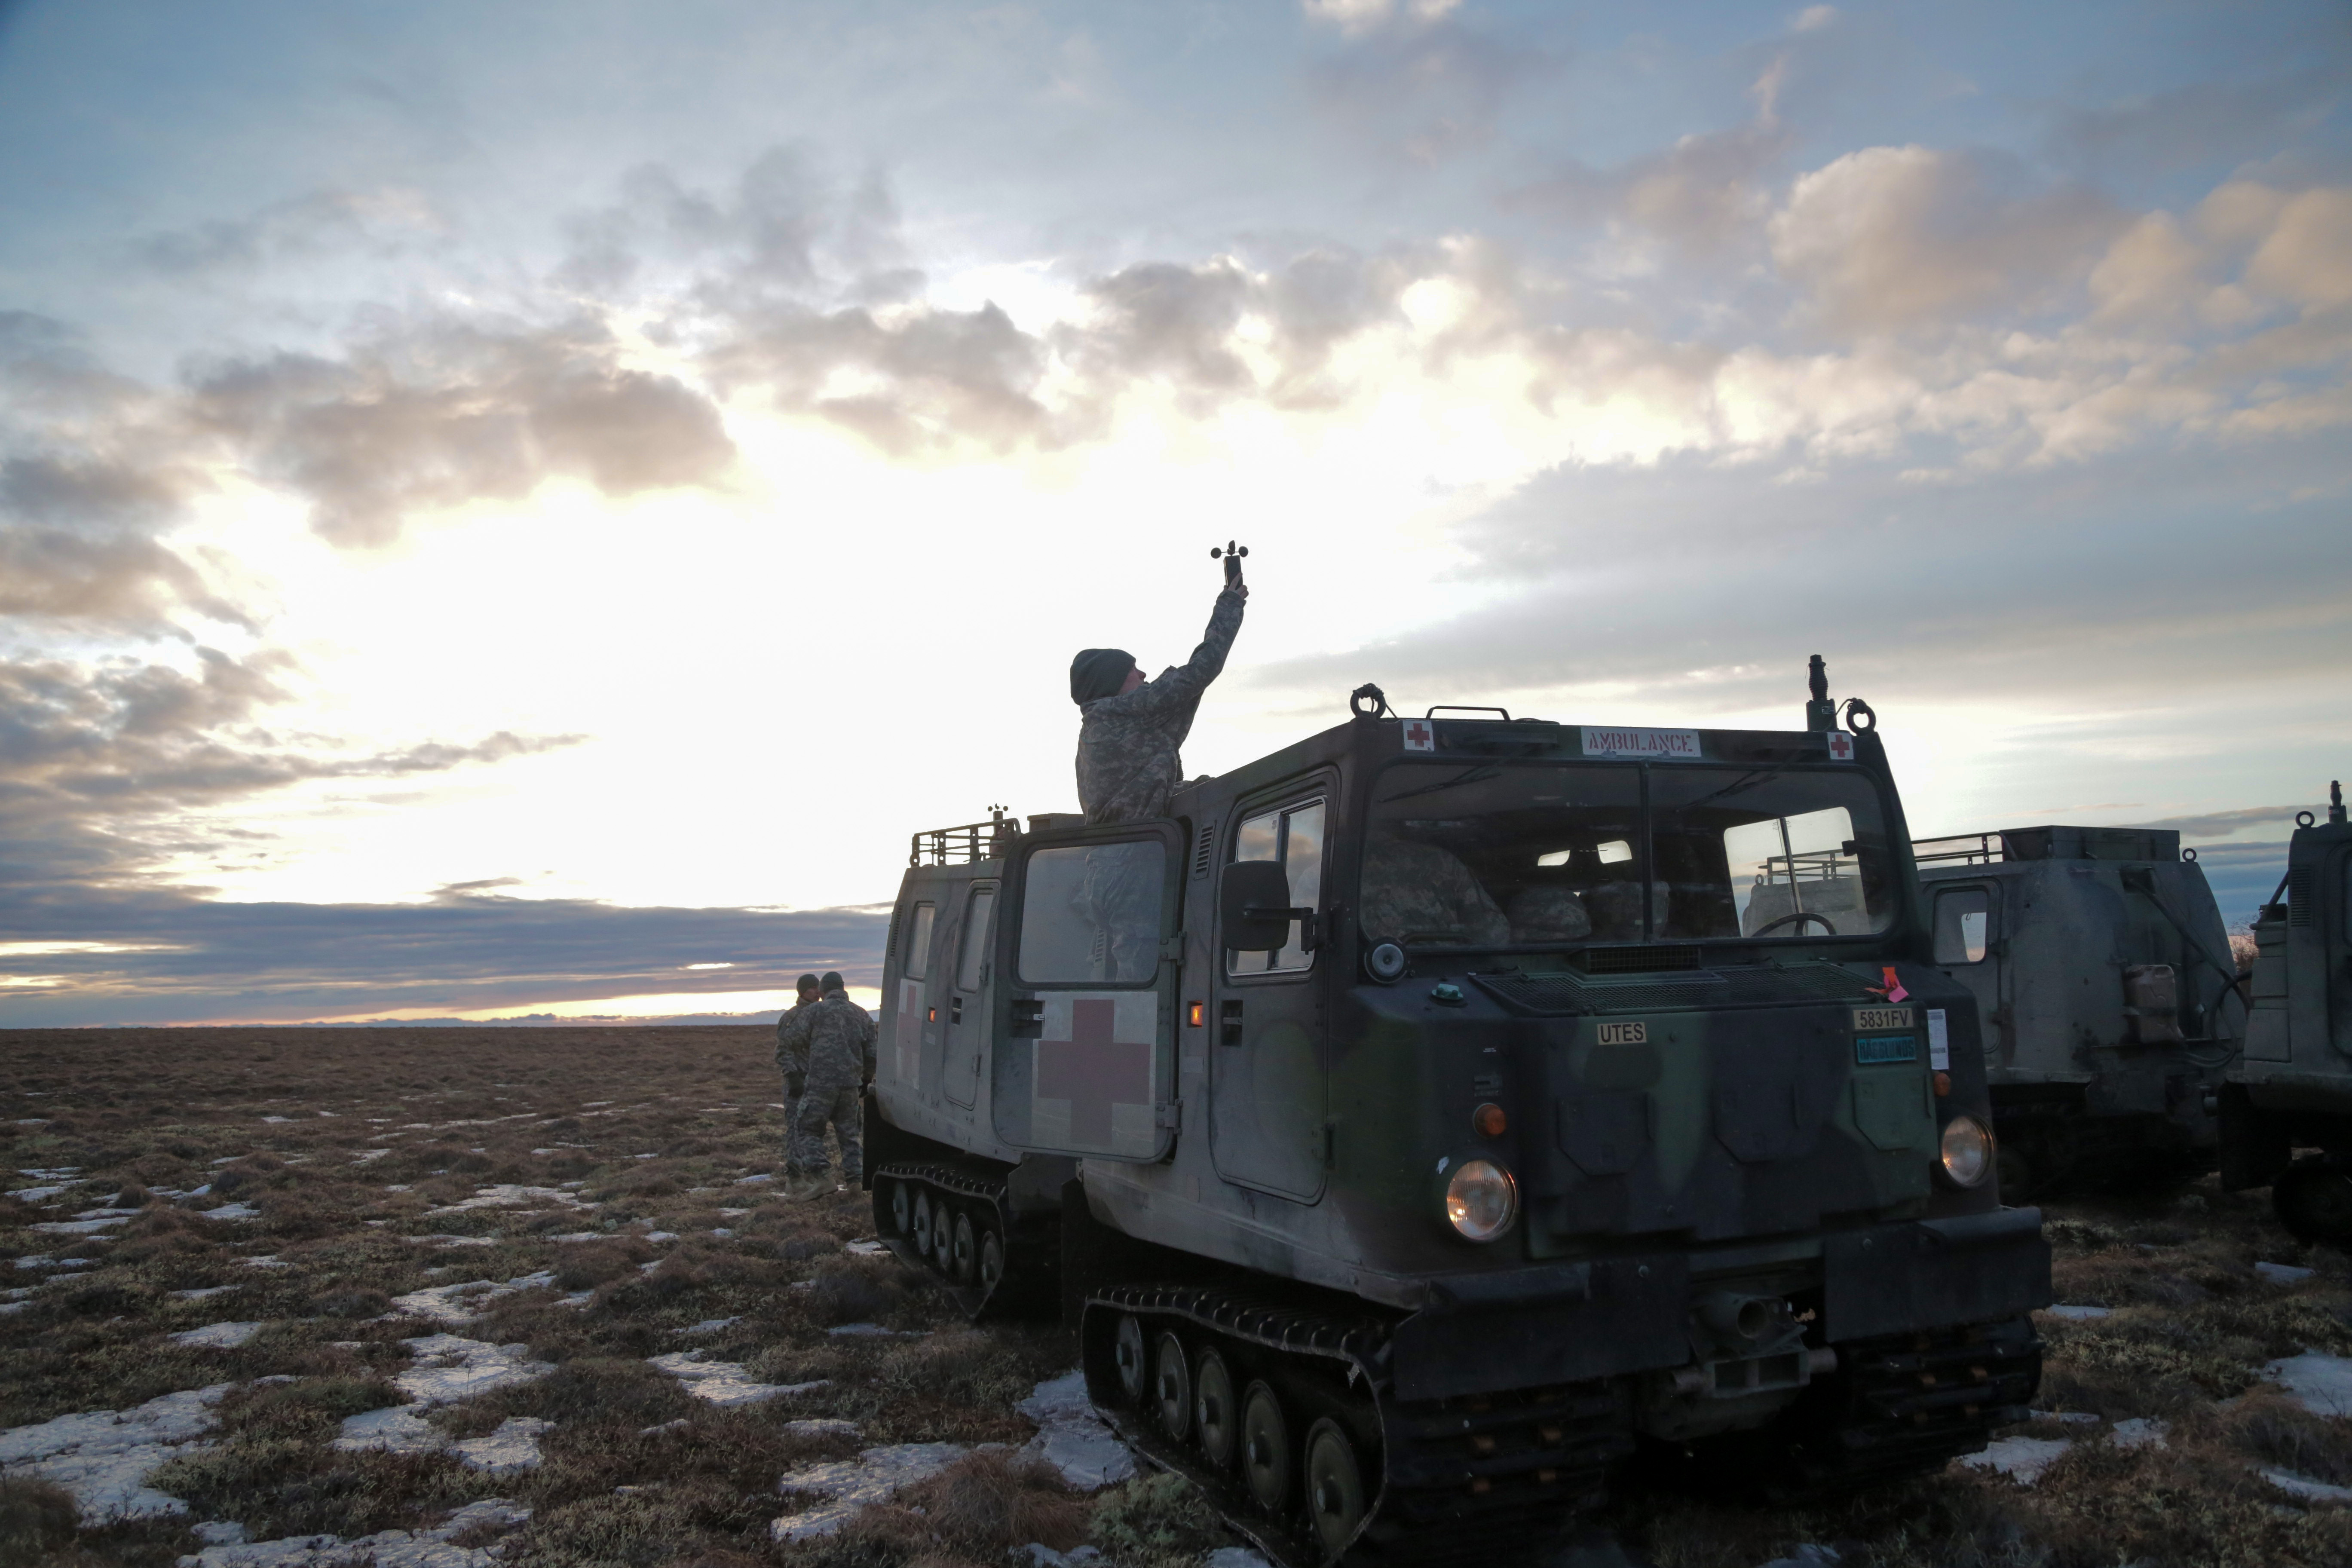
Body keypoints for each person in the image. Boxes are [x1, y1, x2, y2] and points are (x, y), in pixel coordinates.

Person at [1069, 559, 1247, 826]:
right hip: (1137, 856)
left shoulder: (1095, 731)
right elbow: (1202, 667)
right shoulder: (1129, 711)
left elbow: (1137, 797)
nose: (1142, 675)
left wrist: (1200, 787)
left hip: (1120, 856)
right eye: (1132, 669)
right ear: (1112, 681)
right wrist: (1230, 603)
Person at [778, 971, 878, 1199]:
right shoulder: (861, 1014)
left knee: (808, 1129)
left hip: (820, 1085)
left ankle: (822, 1177)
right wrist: (865, 1078)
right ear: (843, 989)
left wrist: (794, 1074)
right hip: (850, 1086)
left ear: (823, 991)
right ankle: (855, 1183)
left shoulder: (814, 1011)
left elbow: (790, 1043)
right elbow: (873, 1051)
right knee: (850, 1134)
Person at [774, 973, 821, 1167]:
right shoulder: (792, 1017)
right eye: (812, 988)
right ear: (803, 991)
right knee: (795, 1128)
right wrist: (792, 1076)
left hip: (820, 1081)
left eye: (818, 987)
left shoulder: (823, 1013)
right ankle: (795, 1175)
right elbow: (783, 1049)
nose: (817, 992)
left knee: (814, 1130)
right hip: (799, 1080)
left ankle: (815, 1171)